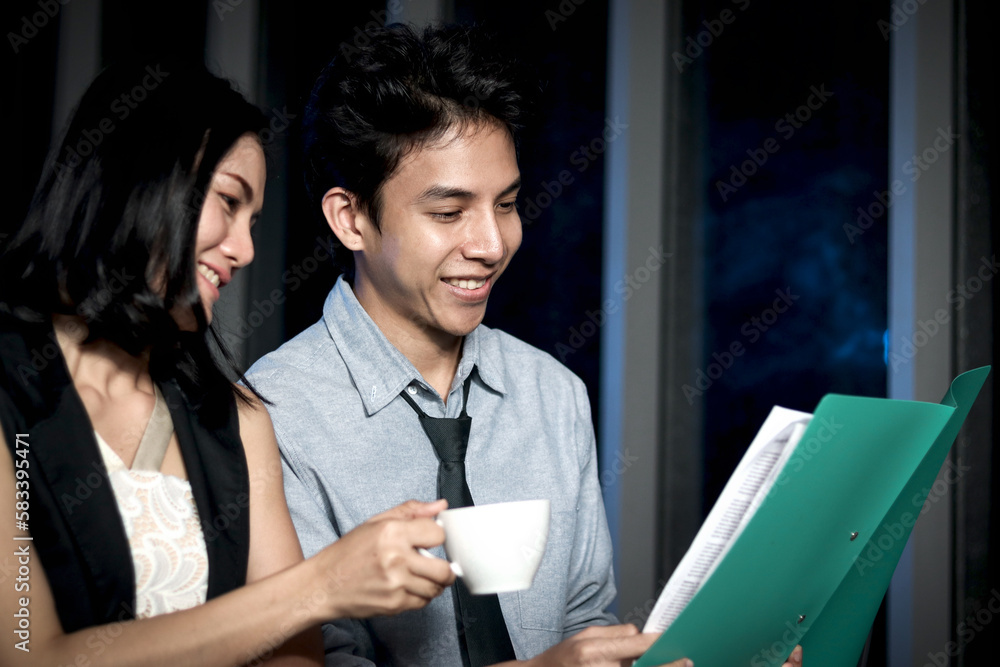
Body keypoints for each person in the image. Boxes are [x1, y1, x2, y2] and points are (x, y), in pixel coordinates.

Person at [246, 24, 786, 667]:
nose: (492, 244)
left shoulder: (550, 392)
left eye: (505, 204)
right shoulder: (273, 413)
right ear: (352, 218)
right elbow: (315, 660)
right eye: (449, 213)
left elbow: (587, 619)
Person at [0, 59, 456, 667]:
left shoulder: (238, 418)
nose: (243, 249)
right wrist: (322, 584)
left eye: (254, 221)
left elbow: (295, 656)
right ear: (144, 178)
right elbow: (29, 653)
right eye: (228, 203)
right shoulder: (13, 391)